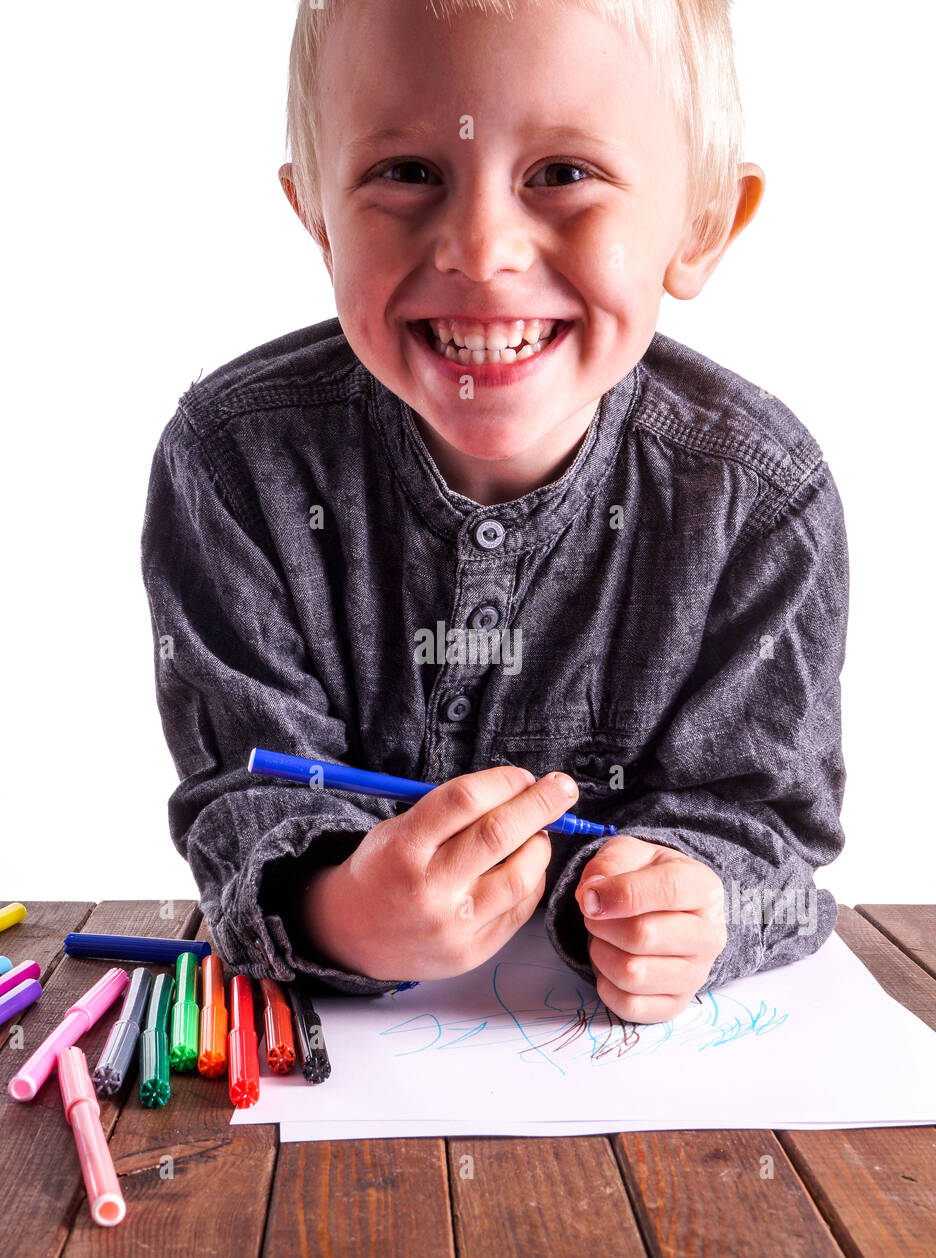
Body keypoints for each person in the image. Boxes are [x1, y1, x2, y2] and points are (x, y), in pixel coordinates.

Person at [141, 0, 847, 1024]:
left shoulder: (760, 499)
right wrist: (339, 910)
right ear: (318, 217)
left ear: (700, 226)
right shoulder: (233, 464)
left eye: (561, 174)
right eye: (408, 173)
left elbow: (774, 836)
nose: (479, 248)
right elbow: (238, 796)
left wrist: (705, 907)